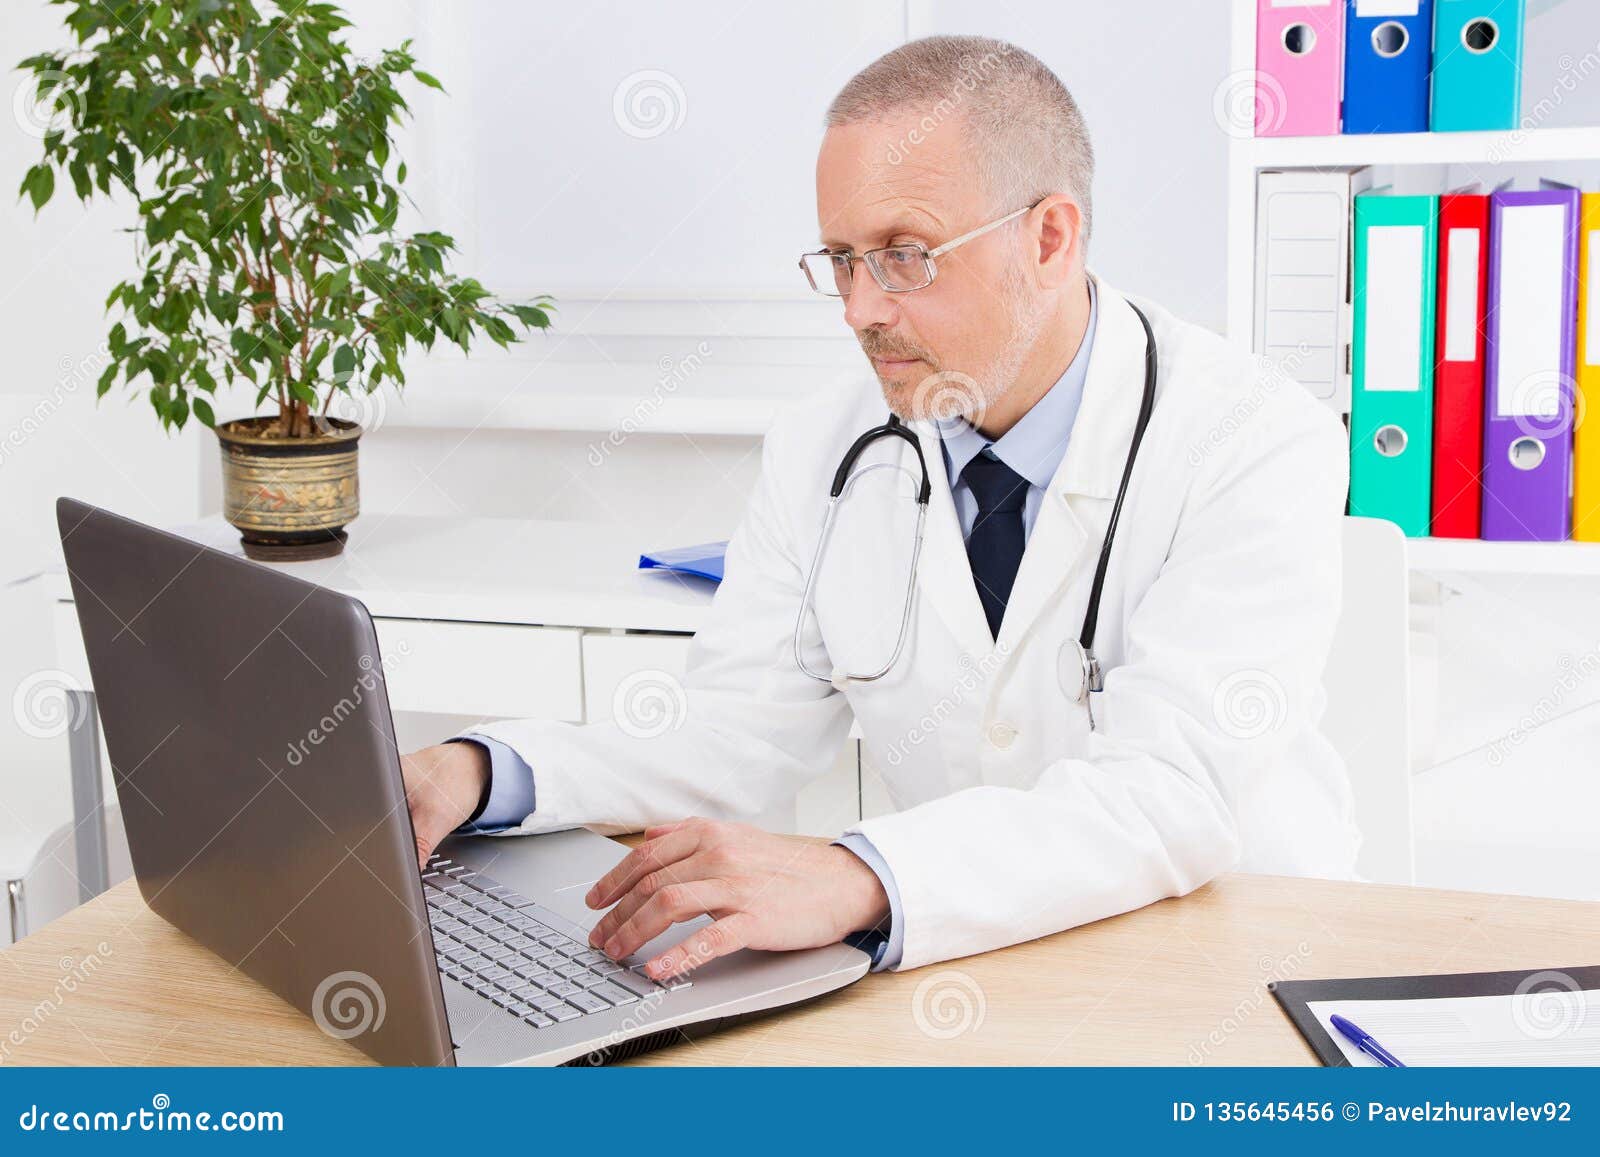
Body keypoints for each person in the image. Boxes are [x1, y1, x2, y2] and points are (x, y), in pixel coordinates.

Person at [400, 35, 1360, 982]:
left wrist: (860, 874)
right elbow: (733, 731)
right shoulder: (822, 447)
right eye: (841, 259)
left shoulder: (1252, 436)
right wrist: (483, 770)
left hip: (1229, 964)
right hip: (965, 965)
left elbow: (1170, 791)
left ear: (1049, 239)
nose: (858, 309)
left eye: (905, 255)